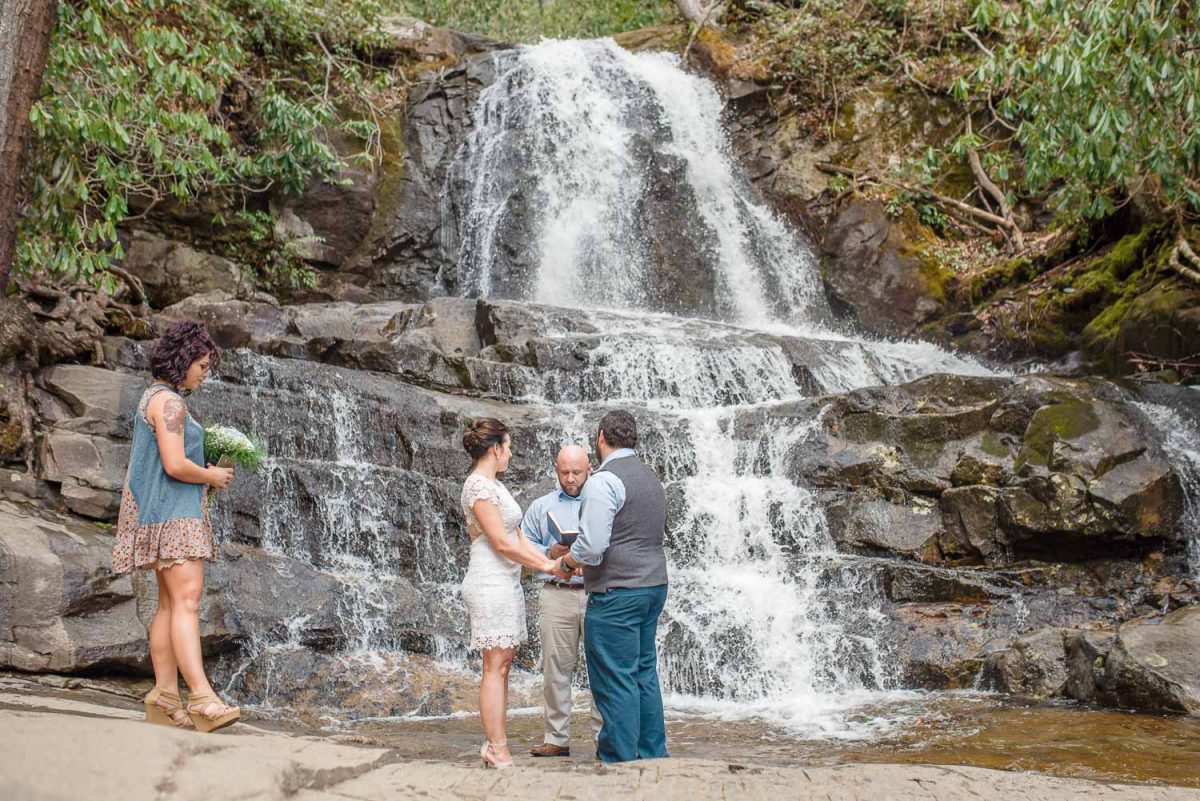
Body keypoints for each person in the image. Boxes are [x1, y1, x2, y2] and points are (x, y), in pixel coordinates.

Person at [111, 320, 239, 733]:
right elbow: (174, 464)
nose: (205, 374)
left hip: (157, 514)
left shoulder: (154, 396)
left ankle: (166, 696)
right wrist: (211, 476)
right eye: (202, 366)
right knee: (186, 602)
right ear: (183, 361)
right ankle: (202, 698)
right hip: (174, 518)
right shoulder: (170, 404)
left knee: (168, 606)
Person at [554, 410, 669, 763]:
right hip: (653, 586)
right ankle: (652, 756)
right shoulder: (651, 477)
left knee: (615, 678)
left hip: (617, 592)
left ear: (601, 437)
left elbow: (591, 547)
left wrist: (566, 563)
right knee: (643, 673)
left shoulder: (603, 481)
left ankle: (619, 760)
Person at [459, 418, 560, 769]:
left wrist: (549, 562)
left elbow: (518, 537)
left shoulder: (495, 485)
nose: (511, 453)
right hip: (489, 582)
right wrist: (546, 567)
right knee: (494, 666)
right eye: (509, 446)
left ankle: (496, 745)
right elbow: (501, 543)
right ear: (495, 448)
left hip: (506, 583)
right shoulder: (477, 486)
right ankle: (496, 747)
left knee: (502, 666)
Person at [520, 445, 603, 757]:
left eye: (577, 472)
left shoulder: (602, 502)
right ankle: (556, 739)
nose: (570, 479)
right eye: (565, 472)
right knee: (555, 669)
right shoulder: (540, 507)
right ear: (555, 469)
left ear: (589, 469)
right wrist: (549, 553)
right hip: (557, 594)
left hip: (597, 593)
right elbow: (523, 549)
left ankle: (605, 740)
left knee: (603, 670)